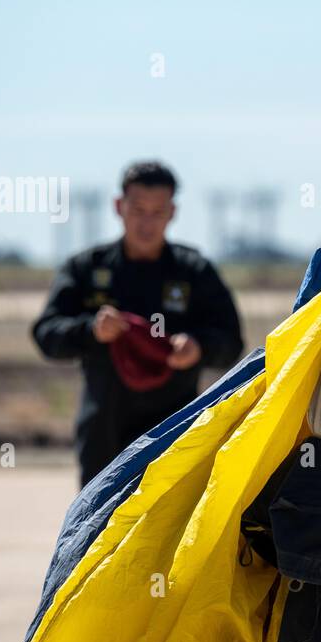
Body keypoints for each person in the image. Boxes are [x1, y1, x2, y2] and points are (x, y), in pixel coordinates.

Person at [32, 161, 244, 486]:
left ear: (172, 212)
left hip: (174, 427)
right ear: (119, 206)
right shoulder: (87, 269)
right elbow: (46, 334)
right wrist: (91, 330)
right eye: (138, 209)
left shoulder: (194, 271)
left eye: (157, 212)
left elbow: (231, 341)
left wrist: (198, 347)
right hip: (104, 429)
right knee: (97, 530)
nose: (146, 222)